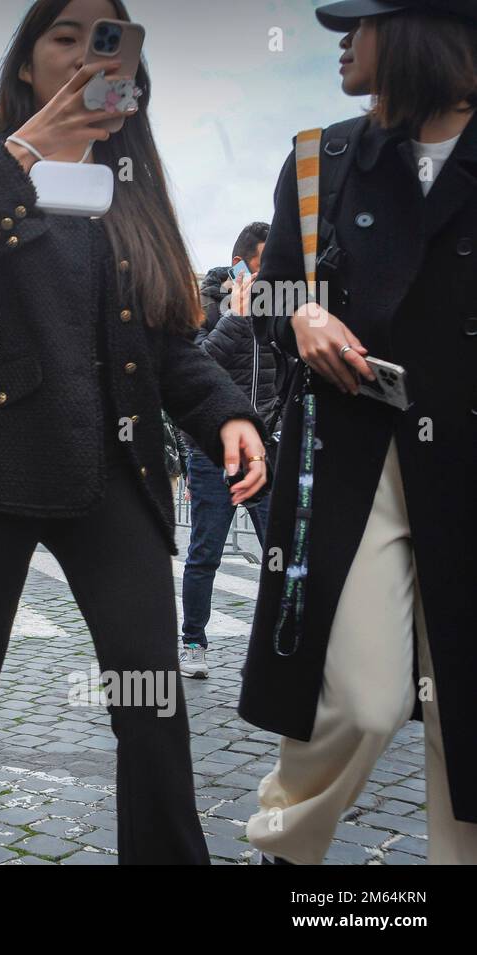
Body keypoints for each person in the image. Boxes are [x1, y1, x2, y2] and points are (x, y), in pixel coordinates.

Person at [0, 0, 270, 865]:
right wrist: (28, 149)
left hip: (112, 472)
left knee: (152, 695)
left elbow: (171, 341)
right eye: (62, 37)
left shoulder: (135, 188)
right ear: (25, 63)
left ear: (129, 68)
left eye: (104, 41)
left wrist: (229, 415)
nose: (80, 56)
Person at [241, 0, 477, 865]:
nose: (341, 36)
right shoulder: (322, 159)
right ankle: (286, 846)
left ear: (423, 28)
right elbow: (263, 303)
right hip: (356, 460)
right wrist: (299, 311)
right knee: (360, 699)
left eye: (362, 19)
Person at [178, 221, 279, 678]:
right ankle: (194, 641)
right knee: (206, 550)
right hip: (212, 446)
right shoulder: (208, 299)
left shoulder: (280, 302)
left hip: (265, 445)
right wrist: (238, 314)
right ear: (241, 262)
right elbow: (200, 365)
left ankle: (282, 641)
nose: (271, 273)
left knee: (281, 551)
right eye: (265, 264)